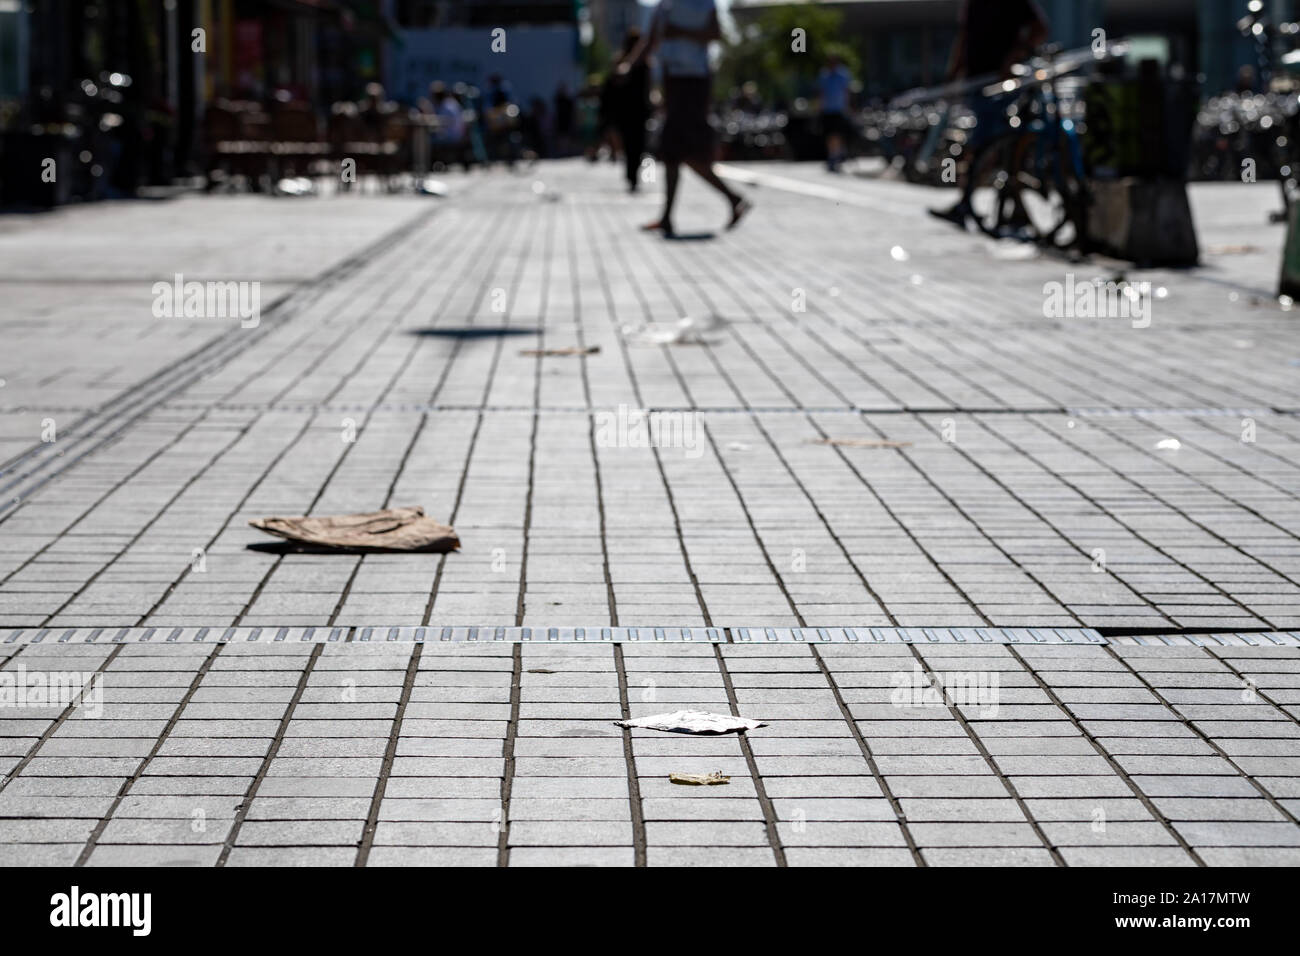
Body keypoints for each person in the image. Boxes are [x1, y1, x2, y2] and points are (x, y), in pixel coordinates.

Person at [620, 0, 751, 237]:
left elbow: (715, 33)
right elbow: (649, 41)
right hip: (673, 79)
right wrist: (629, 64)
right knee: (674, 152)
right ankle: (673, 216)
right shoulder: (664, 5)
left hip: (694, 81)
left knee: (684, 152)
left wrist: (680, 32)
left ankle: (731, 199)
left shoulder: (703, 3)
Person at [929, 0, 1049, 228]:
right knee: (989, 144)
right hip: (979, 81)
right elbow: (964, 40)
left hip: (1003, 83)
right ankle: (996, 202)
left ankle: (974, 202)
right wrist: (954, 74)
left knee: (989, 143)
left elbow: (1040, 29)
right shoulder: (974, 5)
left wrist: (1015, 55)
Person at [609, 28, 652, 191]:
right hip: (627, 110)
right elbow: (615, 84)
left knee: (638, 145)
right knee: (629, 145)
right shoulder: (623, 62)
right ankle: (631, 175)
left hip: (639, 110)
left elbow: (647, 87)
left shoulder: (645, 64)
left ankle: (633, 175)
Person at [817, 54, 854, 172]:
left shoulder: (843, 74)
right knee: (829, 135)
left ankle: (837, 156)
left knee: (837, 134)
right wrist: (819, 107)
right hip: (828, 109)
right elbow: (821, 92)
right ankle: (832, 156)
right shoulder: (824, 75)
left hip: (839, 109)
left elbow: (847, 91)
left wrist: (848, 107)